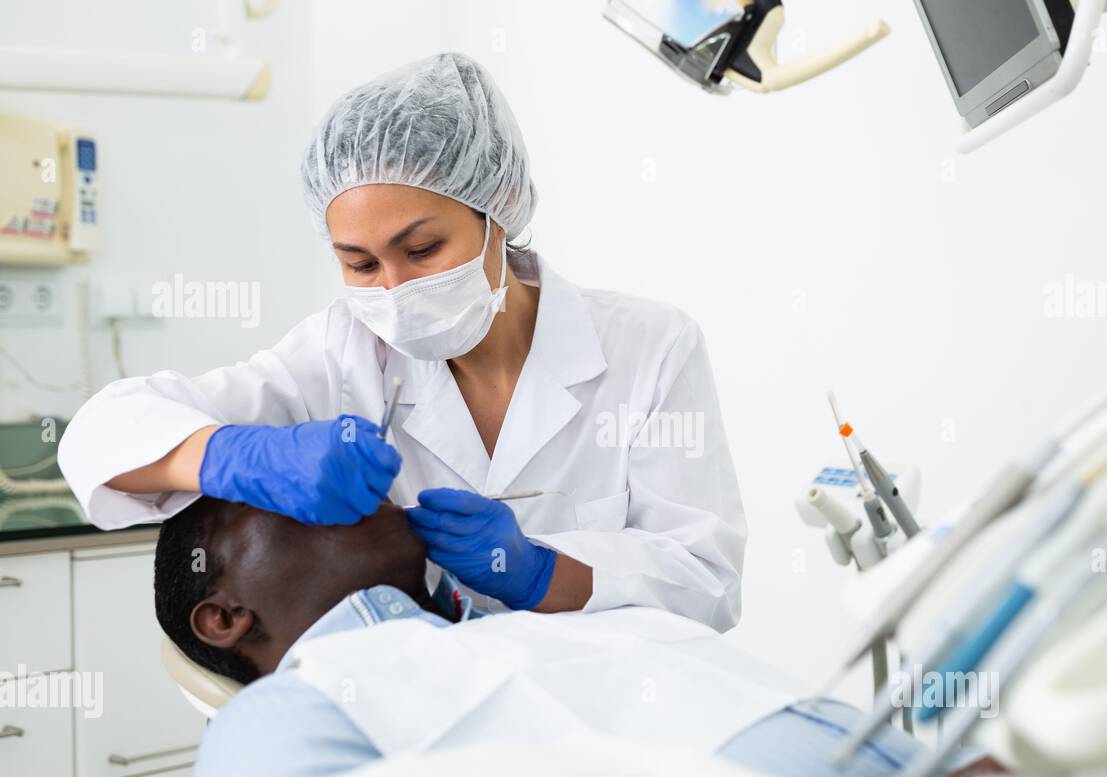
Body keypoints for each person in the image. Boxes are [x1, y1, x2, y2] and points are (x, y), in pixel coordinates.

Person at [58, 52, 745, 628]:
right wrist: (238, 454)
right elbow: (99, 436)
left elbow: (707, 584)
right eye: (360, 263)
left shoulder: (650, 346)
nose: (392, 289)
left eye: (421, 248)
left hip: (614, 708)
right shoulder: (340, 352)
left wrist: (540, 572)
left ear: (499, 211)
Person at [156, 496, 1107, 777]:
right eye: (273, 495)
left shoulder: (548, 627)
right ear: (224, 613)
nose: (332, 481)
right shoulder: (284, 711)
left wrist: (964, 760)